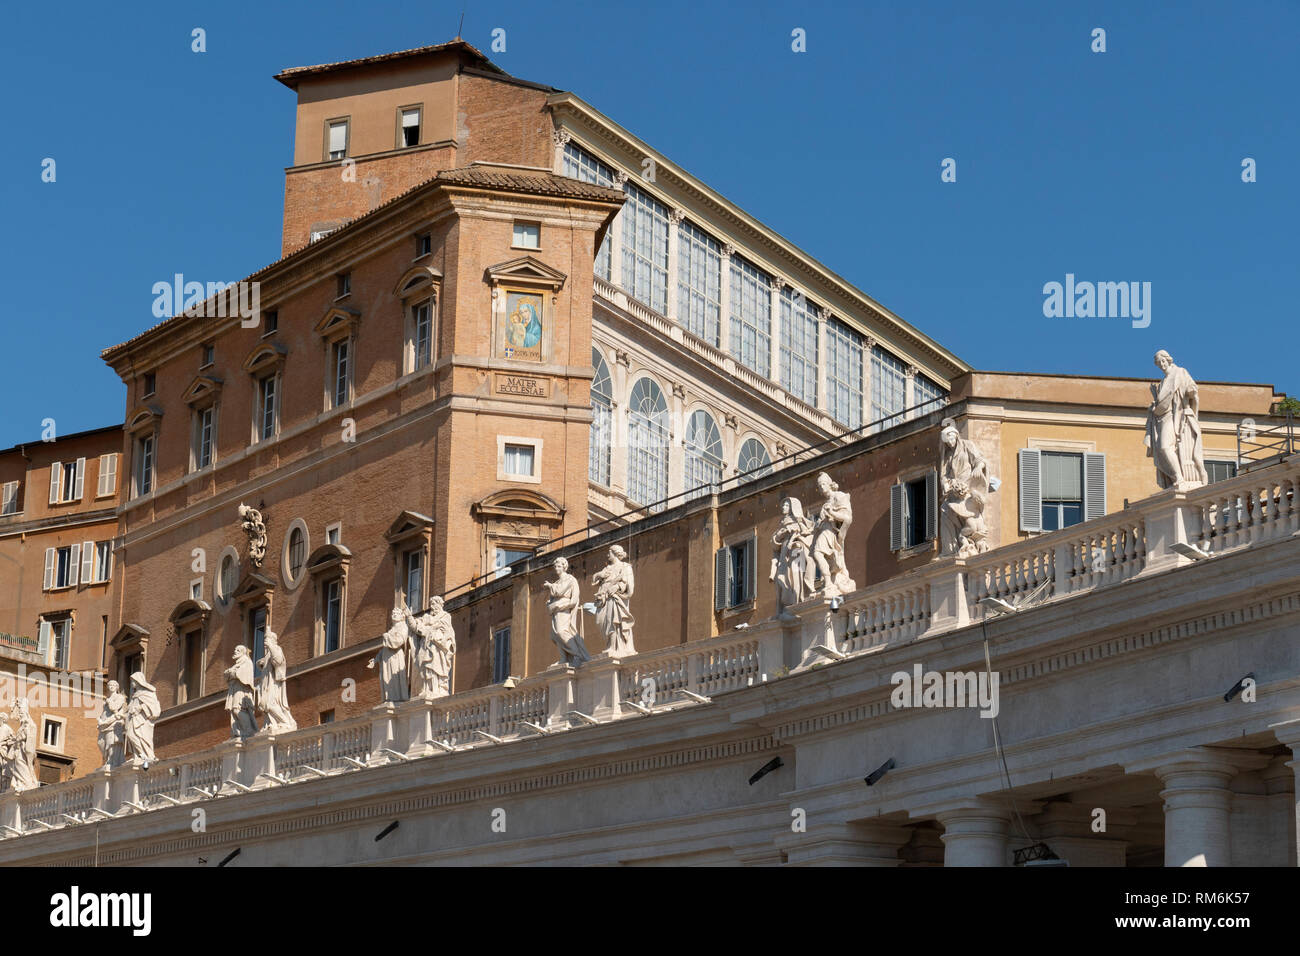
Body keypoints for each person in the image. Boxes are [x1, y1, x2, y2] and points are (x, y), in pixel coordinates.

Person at [1145, 350, 1207, 489]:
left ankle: (1179, 476)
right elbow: (1161, 403)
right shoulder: (1162, 383)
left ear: (1168, 360)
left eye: (1163, 361)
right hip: (1161, 418)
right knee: (1161, 452)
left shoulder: (1180, 373)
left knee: (1165, 447)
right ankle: (1174, 477)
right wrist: (1154, 407)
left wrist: (1190, 392)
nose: (1161, 364)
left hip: (1174, 416)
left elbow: (1192, 390)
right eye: (1158, 363)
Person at [939, 418, 997, 557]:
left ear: (956, 435)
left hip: (968, 485)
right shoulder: (947, 455)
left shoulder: (967, 445)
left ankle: (967, 540)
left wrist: (978, 467)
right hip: (955, 488)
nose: (950, 443)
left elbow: (979, 460)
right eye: (947, 442)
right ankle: (950, 550)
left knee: (971, 517)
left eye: (951, 439)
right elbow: (944, 474)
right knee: (945, 512)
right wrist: (945, 483)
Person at [811, 472, 856, 597]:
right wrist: (818, 523)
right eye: (819, 486)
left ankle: (828, 582)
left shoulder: (839, 497)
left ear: (829, 484)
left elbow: (847, 517)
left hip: (830, 532)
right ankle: (828, 581)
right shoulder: (826, 502)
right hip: (823, 530)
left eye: (823, 484)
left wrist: (832, 513)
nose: (822, 488)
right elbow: (822, 520)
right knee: (817, 554)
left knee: (817, 553)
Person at [770, 497, 815, 614]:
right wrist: (779, 535)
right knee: (781, 579)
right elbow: (773, 544)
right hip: (783, 555)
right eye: (783, 505)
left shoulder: (799, 522)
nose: (783, 508)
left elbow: (806, 536)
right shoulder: (781, 524)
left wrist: (795, 539)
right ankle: (782, 608)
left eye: (786, 505)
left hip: (795, 553)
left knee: (795, 578)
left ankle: (796, 603)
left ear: (792, 508)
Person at [543, 557, 590, 666]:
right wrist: (550, 602)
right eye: (555, 566)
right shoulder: (557, 581)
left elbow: (560, 591)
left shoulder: (569, 579)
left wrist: (550, 586)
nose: (556, 568)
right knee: (555, 634)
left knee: (561, 631)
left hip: (564, 608)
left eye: (559, 566)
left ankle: (577, 655)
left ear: (564, 567)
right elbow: (554, 596)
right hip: (555, 609)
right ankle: (564, 658)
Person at [406, 597, 456, 699]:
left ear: (440, 605)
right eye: (431, 604)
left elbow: (447, 632)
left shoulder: (446, 616)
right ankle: (426, 689)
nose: (432, 607)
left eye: (434, 604)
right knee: (424, 667)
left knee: (435, 667)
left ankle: (436, 689)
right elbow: (416, 627)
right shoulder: (426, 617)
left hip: (437, 648)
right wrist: (409, 617)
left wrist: (431, 632)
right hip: (425, 646)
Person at [592, 545, 636, 657]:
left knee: (613, 620)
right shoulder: (607, 568)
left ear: (615, 553)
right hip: (603, 597)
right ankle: (610, 644)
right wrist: (598, 575)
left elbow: (628, 583)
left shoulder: (625, 567)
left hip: (615, 597)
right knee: (601, 621)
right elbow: (594, 580)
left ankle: (614, 646)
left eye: (609, 553)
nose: (607, 555)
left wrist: (617, 587)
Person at [368, 608, 412, 703]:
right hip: (387, 658)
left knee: (394, 678)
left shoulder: (403, 627)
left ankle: (396, 699)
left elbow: (398, 642)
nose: (394, 615)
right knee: (386, 678)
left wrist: (387, 637)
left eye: (397, 613)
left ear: (402, 616)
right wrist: (375, 660)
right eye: (393, 613)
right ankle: (390, 698)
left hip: (395, 657)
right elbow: (385, 648)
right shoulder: (392, 629)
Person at [257, 632, 296, 732]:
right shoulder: (268, 654)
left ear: (272, 640)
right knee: (264, 705)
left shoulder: (277, 648)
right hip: (266, 684)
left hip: (274, 684)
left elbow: (278, 661)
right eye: (264, 638)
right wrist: (261, 663)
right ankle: (271, 723)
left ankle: (284, 722)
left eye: (267, 638)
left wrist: (270, 646)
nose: (265, 640)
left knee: (270, 704)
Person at [123, 672, 160, 764]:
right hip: (133, 719)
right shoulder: (135, 695)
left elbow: (153, 706)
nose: (131, 683)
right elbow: (130, 707)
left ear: (138, 681)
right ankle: (138, 755)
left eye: (133, 681)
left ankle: (145, 755)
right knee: (130, 735)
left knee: (137, 736)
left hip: (142, 720)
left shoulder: (147, 693)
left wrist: (140, 708)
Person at [223, 646, 258, 739]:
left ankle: (248, 730)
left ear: (243, 652)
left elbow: (239, 674)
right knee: (234, 710)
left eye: (238, 650)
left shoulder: (247, 661)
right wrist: (231, 673)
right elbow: (225, 675)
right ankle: (239, 731)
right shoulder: (237, 664)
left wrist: (231, 673)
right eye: (235, 650)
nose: (235, 651)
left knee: (237, 709)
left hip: (241, 690)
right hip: (234, 689)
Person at [97, 680, 128, 768]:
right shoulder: (107, 698)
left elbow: (114, 708)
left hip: (113, 724)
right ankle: (107, 760)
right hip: (104, 725)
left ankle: (111, 762)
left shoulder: (120, 697)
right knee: (101, 743)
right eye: (109, 685)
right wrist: (100, 719)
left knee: (111, 743)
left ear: (117, 687)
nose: (111, 686)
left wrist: (109, 701)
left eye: (113, 685)